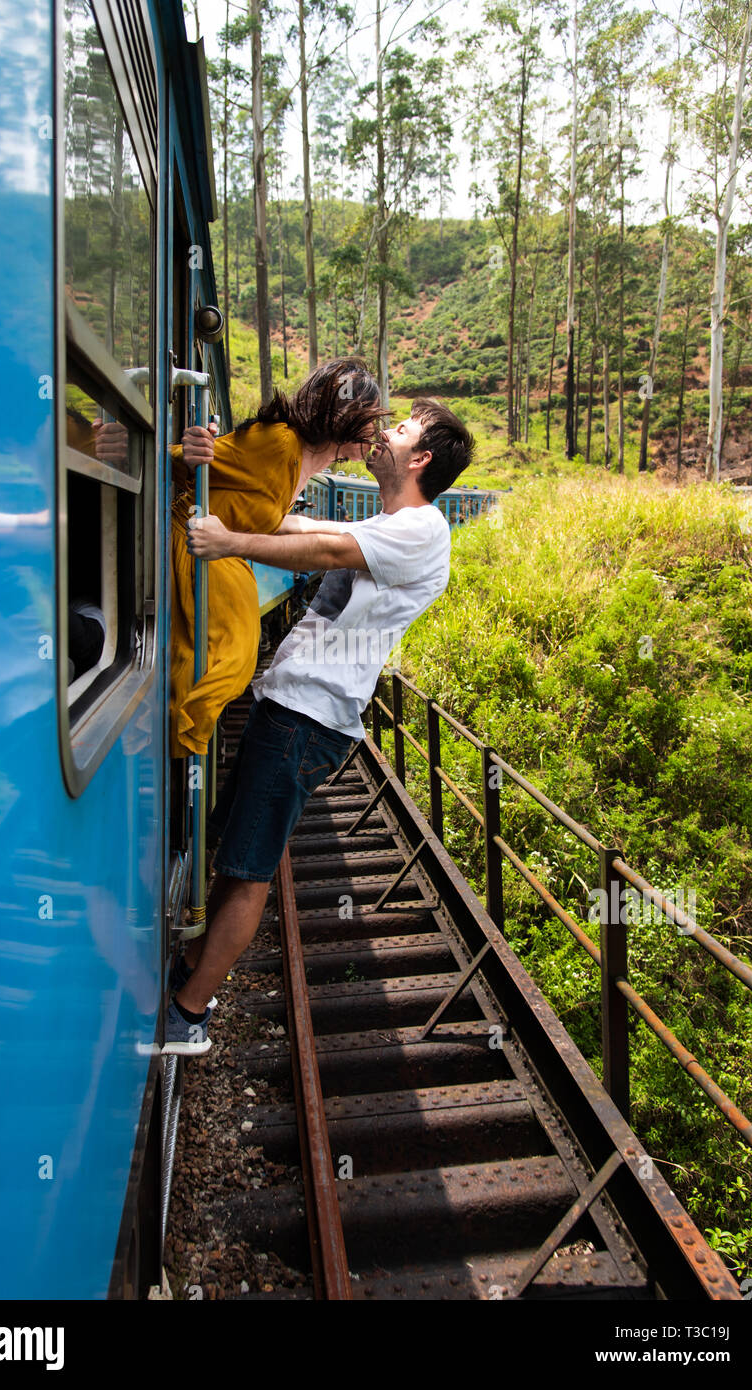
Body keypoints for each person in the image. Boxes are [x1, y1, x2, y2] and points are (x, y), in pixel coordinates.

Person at [162, 397, 475, 1054]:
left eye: (399, 431)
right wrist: (214, 468)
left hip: (309, 717)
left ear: (419, 458)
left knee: (249, 868)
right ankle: (193, 972)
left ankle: (188, 1016)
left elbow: (324, 548)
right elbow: (295, 521)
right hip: (292, 707)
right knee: (237, 857)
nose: (382, 435)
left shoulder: (420, 530)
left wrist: (227, 541)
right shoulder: (393, 522)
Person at [169, 358, 382, 759]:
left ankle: (180, 748)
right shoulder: (280, 442)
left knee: (230, 656)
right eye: (369, 418)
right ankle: (174, 741)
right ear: (344, 415)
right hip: (197, 540)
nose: (375, 431)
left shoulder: (301, 458)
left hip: (220, 551)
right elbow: (185, 460)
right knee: (227, 656)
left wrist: (354, 534)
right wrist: (189, 450)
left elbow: (275, 520)